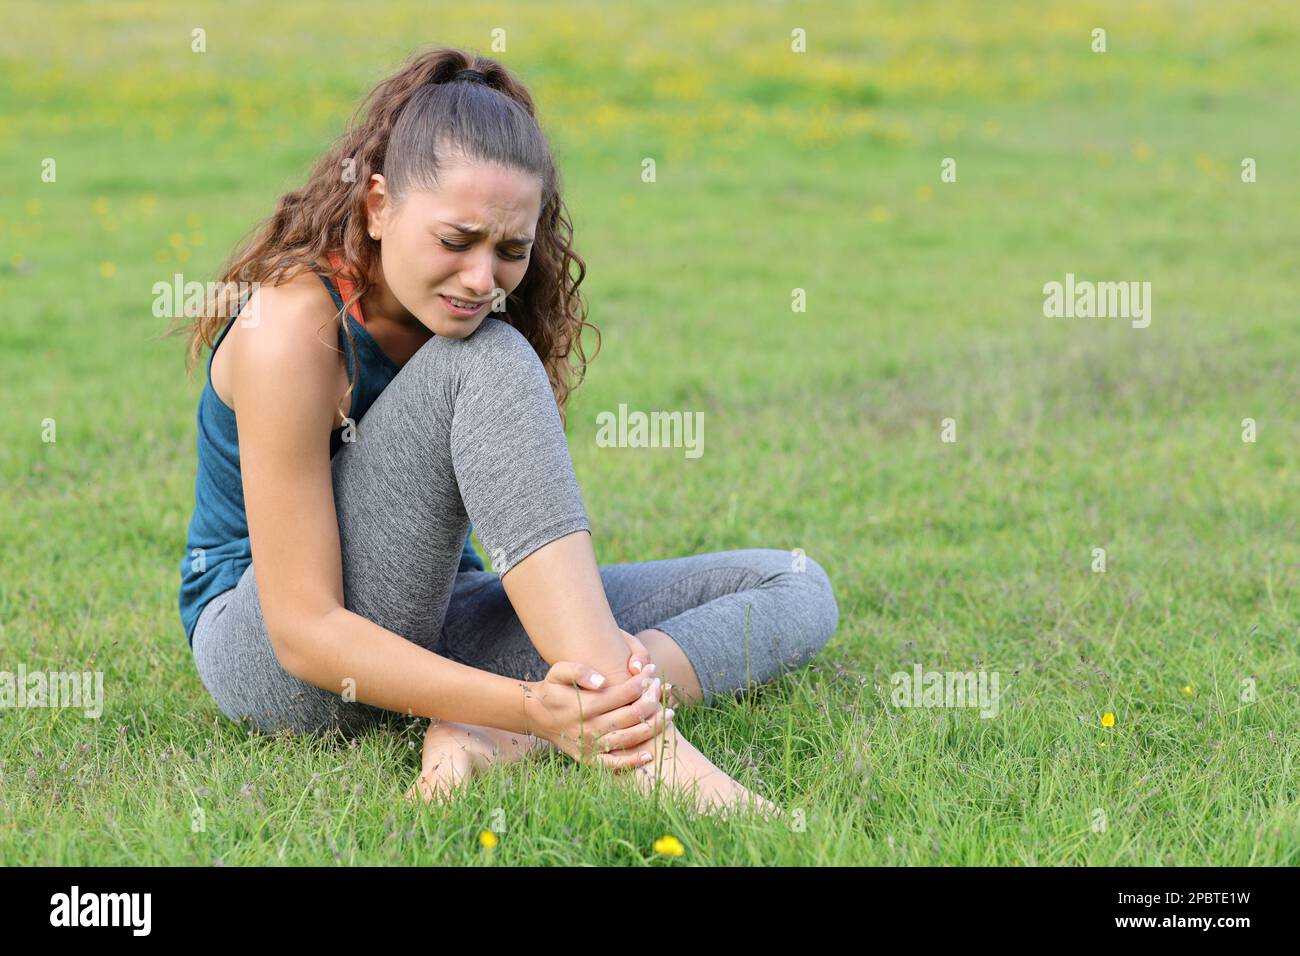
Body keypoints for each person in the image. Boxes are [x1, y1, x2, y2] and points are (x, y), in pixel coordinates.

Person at [173, 48, 839, 817]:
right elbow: (304, 631)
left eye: (510, 251)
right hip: (277, 657)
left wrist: (536, 708)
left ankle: (516, 732)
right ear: (378, 206)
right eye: (457, 241)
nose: (482, 280)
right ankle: (642, 750)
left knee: (794, 585)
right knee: (484, 353)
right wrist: (530, 703)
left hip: (435, 614)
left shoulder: (457, 309)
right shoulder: (290, 328)